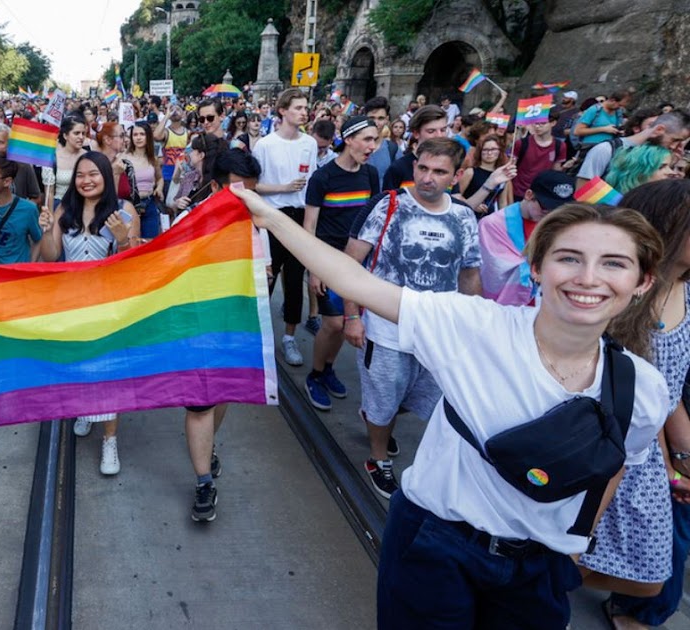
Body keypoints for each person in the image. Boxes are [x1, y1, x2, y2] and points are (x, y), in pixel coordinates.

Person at [239, 182, 667, 628]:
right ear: (537, 268)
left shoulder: (643, 388)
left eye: (614, 263)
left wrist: (577, 542)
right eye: (569, 258)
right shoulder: (474, 326)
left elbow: (616, 465)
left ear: (643, 281)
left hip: (538, 567)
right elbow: (356, 281)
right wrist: (268, 216)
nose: (588, 278)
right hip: (436, 545)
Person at [340, 138, 483, 499]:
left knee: (419, 397)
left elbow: (469, 273)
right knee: (382, 398)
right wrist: (352, 315)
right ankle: (378, 458)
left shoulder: (464, 216)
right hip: (386, 328)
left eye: (439, 172)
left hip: (438, 330)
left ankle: (379, 420)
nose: (427, 178)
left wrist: (475, 324)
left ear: (456, 176)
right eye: (423, 168)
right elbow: (349, 263)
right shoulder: (387, 206)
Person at [581, 180, 690, 629]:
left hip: (650, 453)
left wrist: (682, 454)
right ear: (668, 227)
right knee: (568, 550)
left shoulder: (686, 290)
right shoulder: (619, 295)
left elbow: (670, 389)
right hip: (603, 448)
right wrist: (671, 460)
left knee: (649, 571)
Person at [39, 152, 139, 475]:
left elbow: (134, 267)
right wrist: (46, 231)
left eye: (93, 174)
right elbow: (51, 256)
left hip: (109, 305)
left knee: (108, 372)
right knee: (80, 364)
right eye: (80, 175)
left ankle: (110, 440)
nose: (86, 181)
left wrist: (123, 242)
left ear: (106, 176)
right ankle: (85, 409)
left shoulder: (124, 210)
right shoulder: (64, 210)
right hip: (73, 303)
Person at [176, 148, 263, 522]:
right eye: (238, 191)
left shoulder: (257, 222)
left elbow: (261, 273)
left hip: (233, 326)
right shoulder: (187, 221)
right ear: (215, 187)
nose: (246, 199)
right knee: (200, 402)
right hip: (195, 325)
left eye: (252, 192)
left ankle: (207, 447)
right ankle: (203, 482)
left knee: (222, 393)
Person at [301, 116, 381, 411]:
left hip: (358, 262)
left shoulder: (371, 174)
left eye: (375, 140)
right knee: (333, 323)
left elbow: (372, 219)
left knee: (346, 323)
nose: (373, 146)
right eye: (367, 139)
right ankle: (315, 375)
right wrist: (314, 270)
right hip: (328, 260)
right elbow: (309, 227)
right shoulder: (322, 178)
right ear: (348, 140)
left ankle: (328, 369)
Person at [253, 89, 317, 366]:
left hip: (299, 216)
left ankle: (290, 337)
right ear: (283, 110)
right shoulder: (265, 145)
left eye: (305, 108)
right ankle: (257, 335)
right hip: (272, 216)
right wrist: (283, 187)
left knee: (294, 280)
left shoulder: (310, 143)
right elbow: (254, 185)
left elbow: (311, 182)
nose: (304, 112)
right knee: (266, 278)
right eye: (298, 108)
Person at [478, 170, 578, 305]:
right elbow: (494, 270)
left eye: (558, 209)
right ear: (529, 195)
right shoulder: (493, 224)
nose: (550, 214)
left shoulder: (559, 225)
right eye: (545, 207)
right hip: (502, 306)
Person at [383, 105, 450, 192]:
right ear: (416, 133)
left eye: (443, 130)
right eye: (431, 131)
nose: (439, 135)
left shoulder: (450, 165)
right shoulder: (398, 168)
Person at [512, 109, 568, 196]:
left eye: (542, 123)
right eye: (535, 123)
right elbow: (510, 168)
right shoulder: (522, 143)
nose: (537, 126)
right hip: (518, 190)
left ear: (553, 123)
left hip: (541, 193)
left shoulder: (560, 146)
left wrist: (565, 167)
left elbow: (555, 171)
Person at [458, 134, 515, 218]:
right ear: (480, 152)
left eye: (493, 149)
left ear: (499, 151)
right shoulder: (470, 172)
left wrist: (502, 220)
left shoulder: (501, 175)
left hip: (488, 218)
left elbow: (502, 202)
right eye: (485, 150)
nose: (489, 153)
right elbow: (456, 196)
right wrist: (473, 203)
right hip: (468, 216)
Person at [123, 123, 164, 239]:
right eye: (135, 135)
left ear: (148, 136)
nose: (138, 138)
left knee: (150, 243)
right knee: (132, 242)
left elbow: (160, 178)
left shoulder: (153, 158)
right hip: (130, 205)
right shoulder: (124, 158)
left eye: (142, 134)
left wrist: (159, 188)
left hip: (149, 203)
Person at [605, 144, 678, 194]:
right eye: (661, 167)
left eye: (670, 167)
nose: (671, 172)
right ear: (639, 171)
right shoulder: (611, 204)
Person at [54, 116, 88, 202]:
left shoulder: (88, 156)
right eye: (76, 133)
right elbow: (49, 192)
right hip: (59, 204)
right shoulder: (54, 157)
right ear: (65, 135)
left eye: (83, 133)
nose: (81, 137)